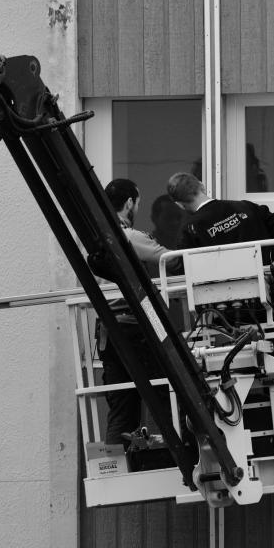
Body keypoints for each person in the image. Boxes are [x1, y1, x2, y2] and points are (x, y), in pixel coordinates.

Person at [166, 172, 274, 452]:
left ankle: (232, 444)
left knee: (224, 378)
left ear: (180, 205)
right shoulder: (246, 208)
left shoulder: (192, 230)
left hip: (225, 322)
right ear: (203, 186)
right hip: (267, 310)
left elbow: (178, 269)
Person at [96, 178, 175, 447]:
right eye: (137, 203)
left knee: (121, 408)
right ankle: (174, 456)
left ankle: (114, 469)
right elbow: (170, 259)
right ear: (129, 203)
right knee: (166, 395)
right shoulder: (128, 237)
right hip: (136, 327)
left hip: (108, 331)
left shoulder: (96, 239)